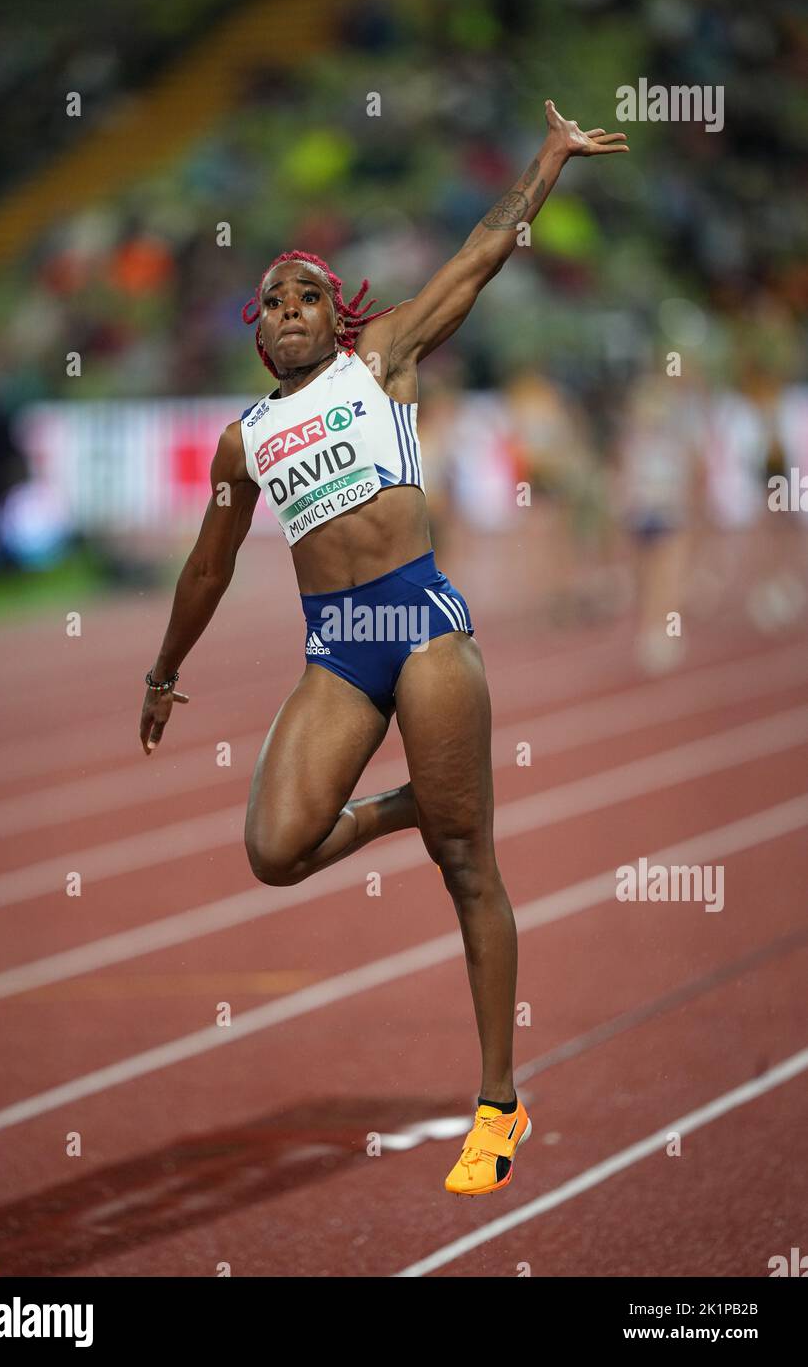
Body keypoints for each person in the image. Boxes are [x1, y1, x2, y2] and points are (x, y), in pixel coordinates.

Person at [139, 101, 628, 1195]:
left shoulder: (385, 358)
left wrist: (545, 158)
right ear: (258, 335)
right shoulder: (244, 441)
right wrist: (165, 669)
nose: (290, 307)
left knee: (467, 864)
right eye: (271, 300)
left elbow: (483, 251)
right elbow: (208, 569)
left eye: (307, 291)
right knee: (274, 847)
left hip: (417, 619)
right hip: (338, 649)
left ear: (335, 313)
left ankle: (496, 1105)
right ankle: (417, 797)